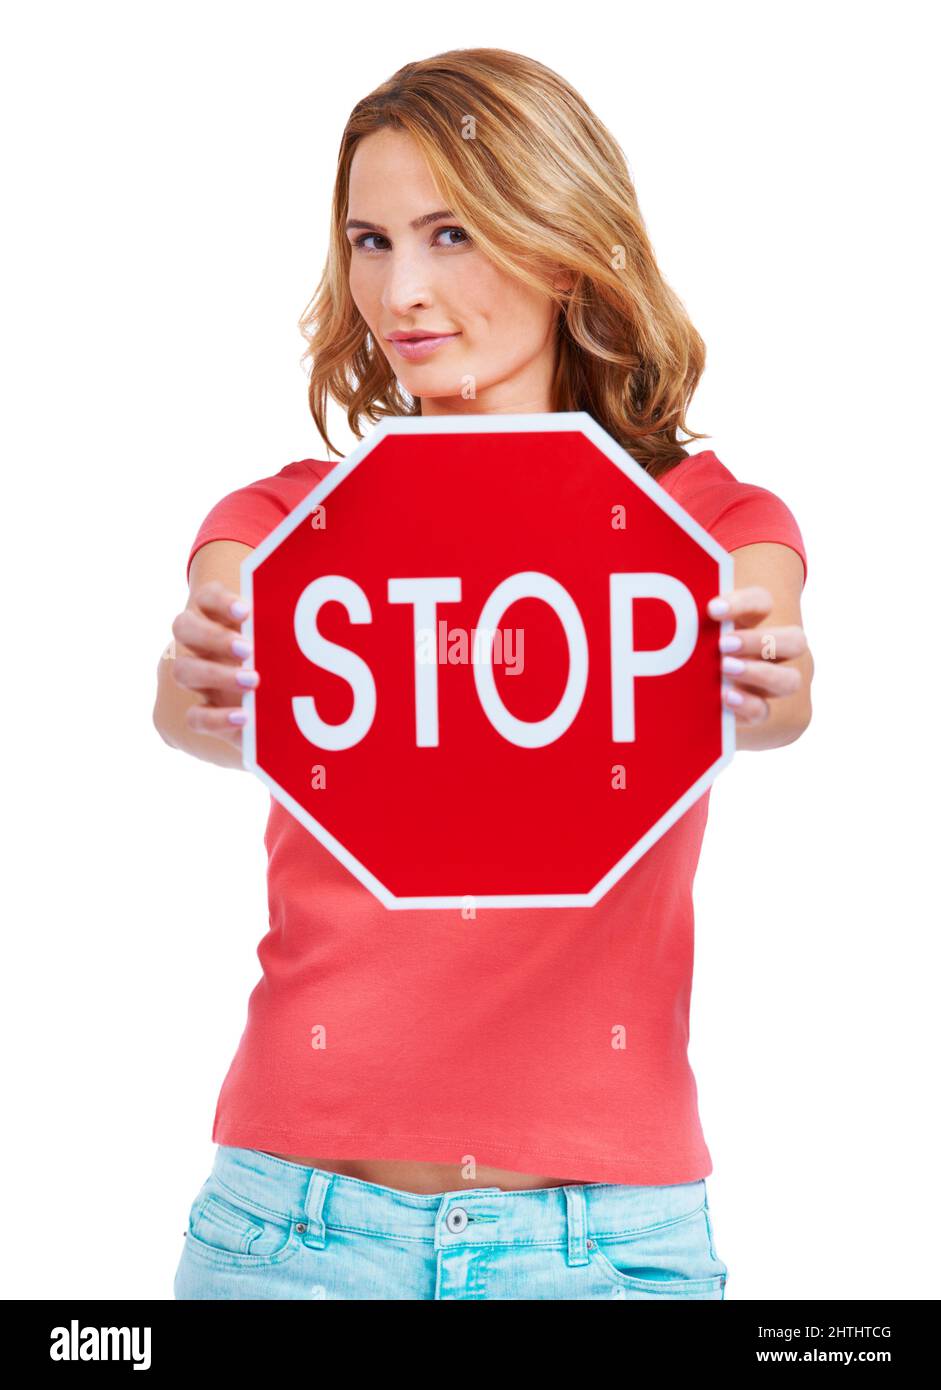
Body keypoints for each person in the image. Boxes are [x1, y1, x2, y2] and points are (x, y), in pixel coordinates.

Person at [154, 48, 813, 1301]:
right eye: (369, 239)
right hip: (290, 1235)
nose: (398, 291)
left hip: (608, 1252)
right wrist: (199, 677)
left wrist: (769, 677)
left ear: (561, 243)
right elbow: (205, 670)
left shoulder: (705, 521)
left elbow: (772, 681)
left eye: (449, 233)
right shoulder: (293, 518)